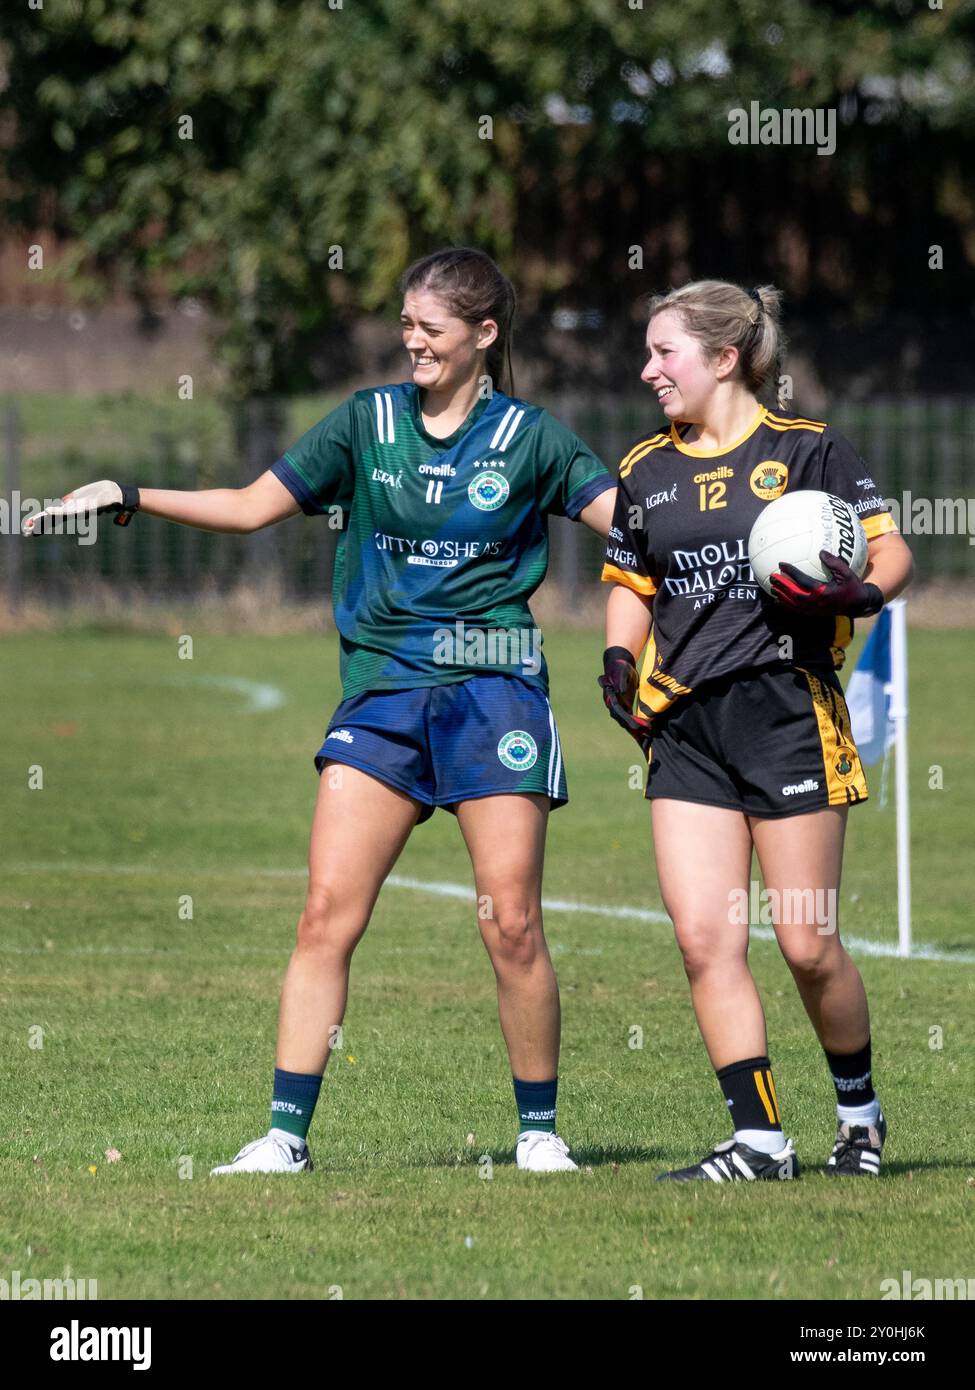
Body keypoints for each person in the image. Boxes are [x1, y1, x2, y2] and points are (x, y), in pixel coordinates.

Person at [26, 248, 616, 1174]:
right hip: (380, 693)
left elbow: (634, 526)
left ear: (484, 335)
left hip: (495, 691)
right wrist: (127, 495)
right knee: (323, 915)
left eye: (430, 327)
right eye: (406, 323)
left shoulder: (533, 439)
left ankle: (539, 1134)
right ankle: (283, 1139)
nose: (410, 340)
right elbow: (250, 505)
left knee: (510, 922)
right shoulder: (367, 422)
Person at [597, 279, 913, 1182]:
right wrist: (620, 660)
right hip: (686, 724)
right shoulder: (643, 469)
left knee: (807, 944)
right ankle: (759, 1142)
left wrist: (858, 594)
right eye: (649, 352)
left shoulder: (807, 452)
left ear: (724, 358)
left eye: (664, 352)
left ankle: (858, 1119)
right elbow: (630, 583)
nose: (647, 368)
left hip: (787, 713)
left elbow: (890, 553)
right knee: (706, 940)